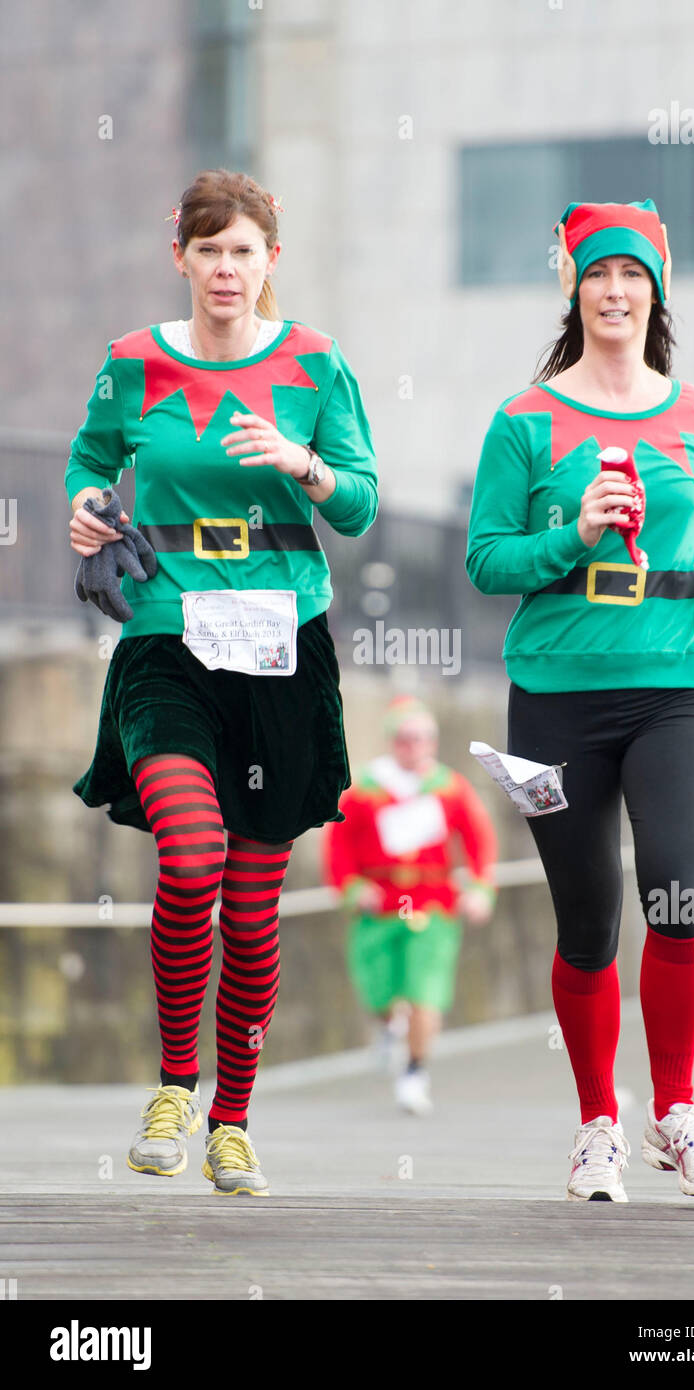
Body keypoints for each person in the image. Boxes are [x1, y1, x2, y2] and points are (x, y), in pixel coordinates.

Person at [65, 168, 377, 1196]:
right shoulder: (133, 362)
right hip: (167, 633)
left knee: (250, 905)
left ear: (270, 261)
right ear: (182, 260)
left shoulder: (318, 366)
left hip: (281, 645)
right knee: (190, 851)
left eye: (244, 251)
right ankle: (173, 1085)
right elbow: (89, 458)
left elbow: (362, 505)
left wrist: (302, 461)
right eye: (210, 252)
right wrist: (85, 510)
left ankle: (233, 1118)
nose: (226, 269)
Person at [466, 199, 694, 1201]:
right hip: (552, 698)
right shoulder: (524, 420)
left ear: (656, 291)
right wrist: (573, 537)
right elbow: (485, 560)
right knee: (586, 921)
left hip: (676, 690)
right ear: (573, 289)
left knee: (675, 892)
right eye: (597, 274)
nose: (615, 292)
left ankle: (676, 1110)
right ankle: (599, 1125)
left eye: (632, 276)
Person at [322, 695, 498, 1113]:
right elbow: (339, 847)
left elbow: (478, 841)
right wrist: (350, 888)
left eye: (422, 739)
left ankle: (415, 1071)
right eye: (405, 739)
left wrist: (480, 888)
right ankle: (388, 1024)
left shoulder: (450, 787)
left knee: (425, 992)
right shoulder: (364, 790)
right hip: (380, 906)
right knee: (377, 988)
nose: (414, 747)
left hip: (433, 904)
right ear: (392, 742)